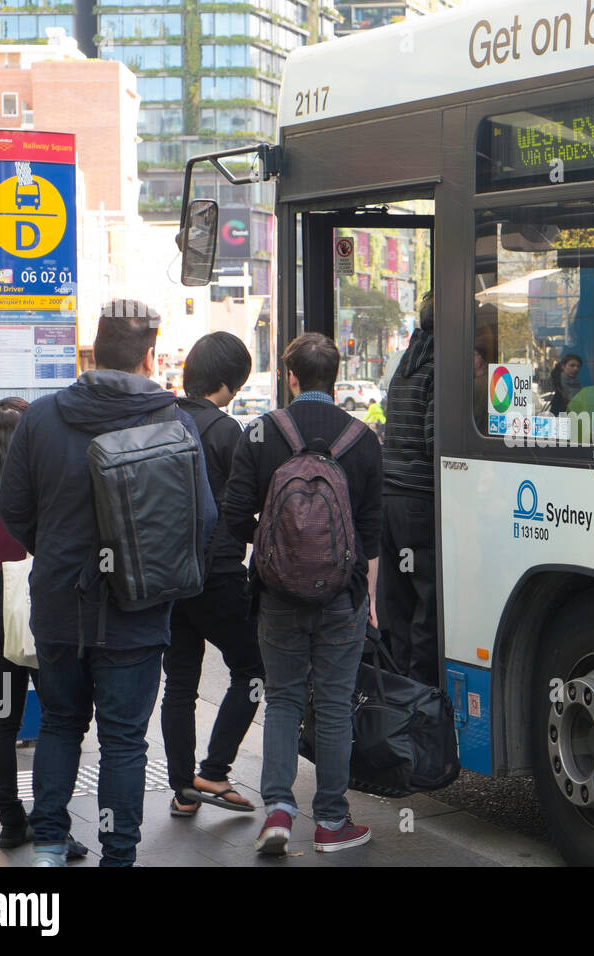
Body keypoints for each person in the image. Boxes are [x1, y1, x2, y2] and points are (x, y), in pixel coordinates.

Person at [0, 299, 218, 867]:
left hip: (60, 605)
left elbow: (13, 508)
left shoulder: (42, 418)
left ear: (93, 352)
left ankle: (47, 841)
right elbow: (205, 520)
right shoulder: (174, 421)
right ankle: (118, 854)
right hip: (137, 610)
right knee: (124, 741)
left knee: (62, 723)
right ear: (148, 355)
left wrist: (55, 553)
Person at [223, 332, 382, 855]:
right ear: (335, 377)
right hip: (343, 595)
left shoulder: (262, 433)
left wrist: (272, 546)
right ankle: (333, 822)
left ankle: (279, 813)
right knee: (335, 705)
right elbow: (372, 531)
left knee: (284, 699)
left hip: (276, 595)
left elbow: (232, 516)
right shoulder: (364, 438)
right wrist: (370, 599)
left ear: (291, 377)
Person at [0, 398, 90, 858]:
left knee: (3, 720)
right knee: (58, 719)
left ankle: (10, 823)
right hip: (42, 610)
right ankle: (52, 824)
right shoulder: (40, 488)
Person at [162, 332, 265, 818]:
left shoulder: (161, 421)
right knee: (253, 667)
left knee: (179, 682)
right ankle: (216, 770)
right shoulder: (228, 433)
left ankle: (184, 789)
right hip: (218, 575)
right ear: (229, 383)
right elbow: (246, 509)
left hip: (163, 578)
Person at [379, 291, 437, 685]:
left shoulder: (407, 362)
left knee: (398, 602)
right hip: (421, 500)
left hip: (391, 499)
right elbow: (437, 443)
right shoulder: (439, 367)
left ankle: (400, 691)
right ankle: (422, 696)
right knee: (428, 603)